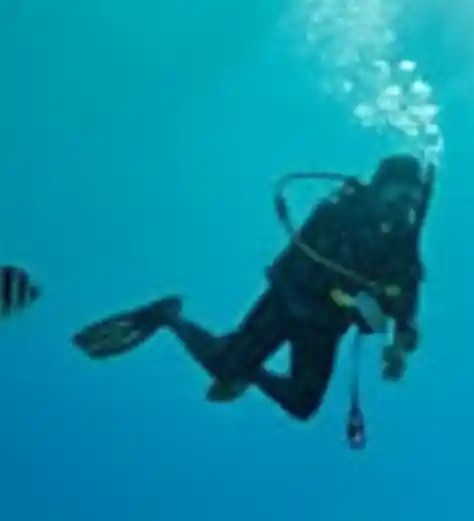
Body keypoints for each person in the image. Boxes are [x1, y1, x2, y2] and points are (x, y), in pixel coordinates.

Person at [73, 154, 437, 422]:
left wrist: (399, 349)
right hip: (288, 300)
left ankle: (246, 368)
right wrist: (360, 298)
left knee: (302, 405)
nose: (401, 210)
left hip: (325, 325)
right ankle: (169, 317)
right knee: (225, 368)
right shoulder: (338, 214)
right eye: (396, 197)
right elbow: (304, 262)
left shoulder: (404, 256)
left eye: (410, 202)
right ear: (376, 190)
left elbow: (405, 316)